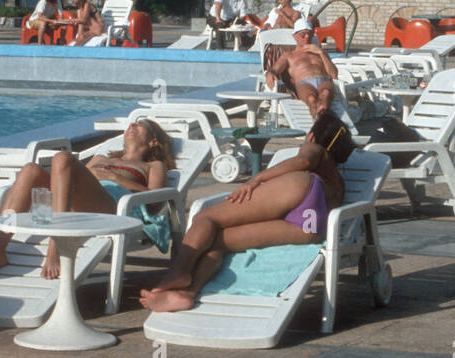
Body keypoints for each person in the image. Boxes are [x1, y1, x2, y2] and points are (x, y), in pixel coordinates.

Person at [139, 133, 344, 313]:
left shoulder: (315, 147)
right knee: (217, 240)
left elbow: (303, 162)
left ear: (312, 137)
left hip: (302, 189)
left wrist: (255, 180)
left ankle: (179, 270)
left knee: (205, 218)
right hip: (309, 229)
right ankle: (187, 294)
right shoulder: (338, 181)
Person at [0, 118, 177, 282]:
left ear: (153, 141)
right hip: (69, 209)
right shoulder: (102, 158)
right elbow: (66, 178)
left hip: (112, 209)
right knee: (31, 170)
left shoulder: (153, 166)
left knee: (62, 158)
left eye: (139, 126)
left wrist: (115, 178)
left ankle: (56, 243)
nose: (132, 125)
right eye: (131, 124)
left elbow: (154, 200)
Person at [267, 18, 338, 116]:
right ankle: (320, 120)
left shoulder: (320, 53)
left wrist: (321, 52)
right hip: (304, 83)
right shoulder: (288, 55)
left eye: (310, 34)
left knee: (325, 93)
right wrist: (269, 73)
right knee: (311, 99)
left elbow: (334, 75)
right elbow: (274, 70)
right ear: (295, 36)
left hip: (324, 81)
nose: (307, 37)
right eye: (303, 34)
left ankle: (321, 118)